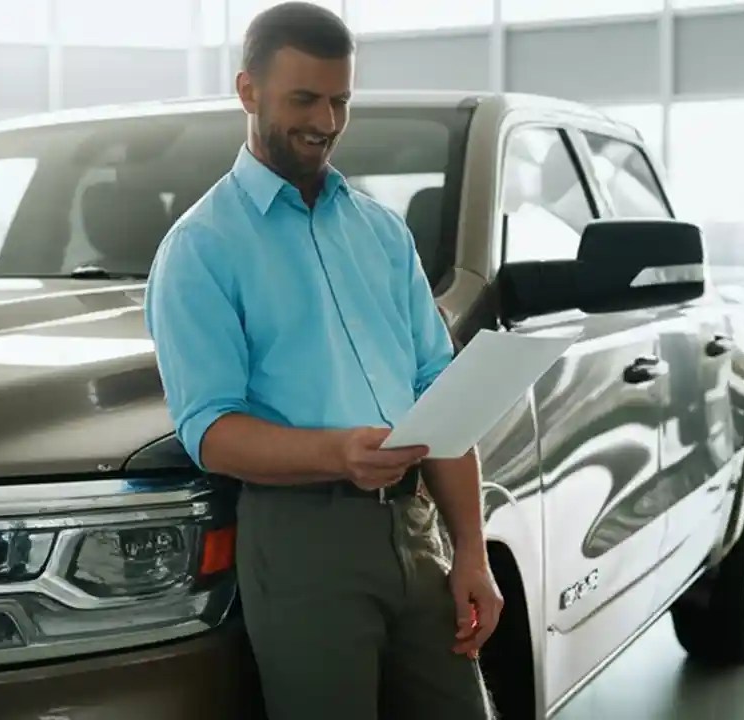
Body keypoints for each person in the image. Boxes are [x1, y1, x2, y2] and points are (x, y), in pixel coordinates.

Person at [144, 3, 502, 718]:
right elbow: (209, 429)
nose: (328, 121)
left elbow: (438, 388)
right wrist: (339, 453)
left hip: (415, 531)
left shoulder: (379, 230)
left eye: (340, 100)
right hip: (302, 545)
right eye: (304, 99)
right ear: (249, 92)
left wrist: (472, 550)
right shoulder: (201, 248)